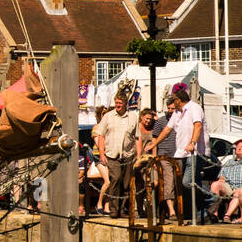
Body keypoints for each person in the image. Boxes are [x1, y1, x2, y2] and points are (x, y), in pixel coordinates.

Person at [152, 84, 211, 223]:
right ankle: (199, 214)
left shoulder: (195, 108)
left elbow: (198, 126)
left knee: (187, 182)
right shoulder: (177, 113)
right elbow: (167, 129)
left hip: (195, 152)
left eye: (174, 100)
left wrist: (193, 143)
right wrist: (154, 143)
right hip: (181, 153)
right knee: (188, 184)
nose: (172, 103)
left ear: (178, 100)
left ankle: (212, 198)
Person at [92, 93, 138, 216]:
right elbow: (100, 136)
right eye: (116, 103)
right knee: (115, 179)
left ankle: (122, 210)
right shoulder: (108, 117)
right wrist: (102, 154)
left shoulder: (133, 117)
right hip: (112, 154)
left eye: (120, 103)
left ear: (125, 104)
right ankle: (113, 209)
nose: (117, 105)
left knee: (126, 183)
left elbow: (137, 137)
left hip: (128, 155)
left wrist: (138, 155)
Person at [210, 139, 242, 221]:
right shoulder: (229, 162)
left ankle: (227, 216)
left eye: (241, 147)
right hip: (228, 186)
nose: (239, 148)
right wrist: (221, 179)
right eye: (238, 147)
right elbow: (221, 176)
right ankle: (214, 215)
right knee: (215, 185)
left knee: (238, 192)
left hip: (240, 187)